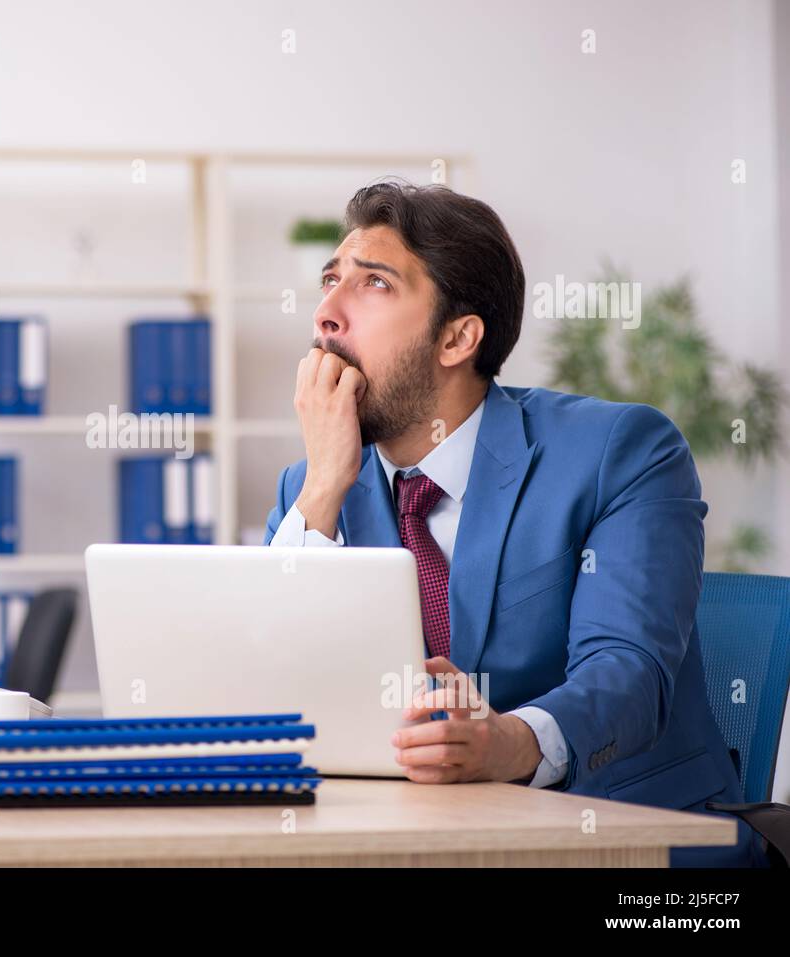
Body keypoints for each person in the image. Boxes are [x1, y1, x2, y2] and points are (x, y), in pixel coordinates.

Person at [266, 180, 764, 867]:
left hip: (628, 842)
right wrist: (322, 486)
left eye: (373, 283)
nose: (326, 313)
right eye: (330, 280)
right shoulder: (317, 484)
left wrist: (507, 741)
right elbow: (273, 688)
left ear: (457, 336)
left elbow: (627, 671)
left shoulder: (619, 451)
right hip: (414, 838)